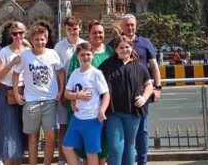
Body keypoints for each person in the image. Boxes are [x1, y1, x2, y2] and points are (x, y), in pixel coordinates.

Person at [13, 25, 65, 165]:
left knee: (50, 137)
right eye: (36, 39)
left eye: (42, 39)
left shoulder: (52, 54)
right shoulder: (25, 55)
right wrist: (17, 94)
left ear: (46, 39)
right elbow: (16, 73)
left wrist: (61, 90)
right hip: (31, 101)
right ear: (32, 40)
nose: (39, 42)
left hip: (49, 100)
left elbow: (60, 72)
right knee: (32, 138)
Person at [99, 37, 153, 165]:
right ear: (116, 50)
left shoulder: (139, 65)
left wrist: (144, 98)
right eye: (121, 47)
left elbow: (149, 84)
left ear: (132, 48)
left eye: (127, 47)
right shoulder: (107, 65)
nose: (124, 50)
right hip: (112, 112)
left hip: (133, 111)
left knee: (129, 146)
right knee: (116, 147)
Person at [66, 20, 113, 162]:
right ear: (89, 34)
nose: (97, 35)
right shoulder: (81, 53)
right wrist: (74, 99)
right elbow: (73, 80)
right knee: (86, 147)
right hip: (84, 108)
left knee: (103, 142)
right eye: (94, 32)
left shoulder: (110, 51)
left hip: (105, 106)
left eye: (100, 32)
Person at [117, 14, 161, 165]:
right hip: (121, 96)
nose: (130, 27)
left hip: (142, 94)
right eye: (127, 25)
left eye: (132, 25)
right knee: (122, 132)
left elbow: (154, 66)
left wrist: (158, 87)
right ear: (121, 26)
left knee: (142, 130)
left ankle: (142, 162)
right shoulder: (115, 43)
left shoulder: (145, 42)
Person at [0, 22, 30, 165]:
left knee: (22, 131)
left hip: (25, 92)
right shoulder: (4, 52)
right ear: (11, 35)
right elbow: (0, 76)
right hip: (8, 94)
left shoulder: (28, 50)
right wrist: (11, 63)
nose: (18, 36)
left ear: (25, 33)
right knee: (9, 132)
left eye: (20, 33)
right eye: (15, 33)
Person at [54, 17, 88, 165]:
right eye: (69, 29)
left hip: (83, 93)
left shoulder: (85, 45)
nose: (73, 31)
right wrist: (61, 92)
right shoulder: (59, 47)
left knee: (81, 126)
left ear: (80, 28)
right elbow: (57, 71)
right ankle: (62, 160)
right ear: (65, 29)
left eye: (75, 28)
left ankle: (79, 158)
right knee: (64, 127)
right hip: (65, 91)